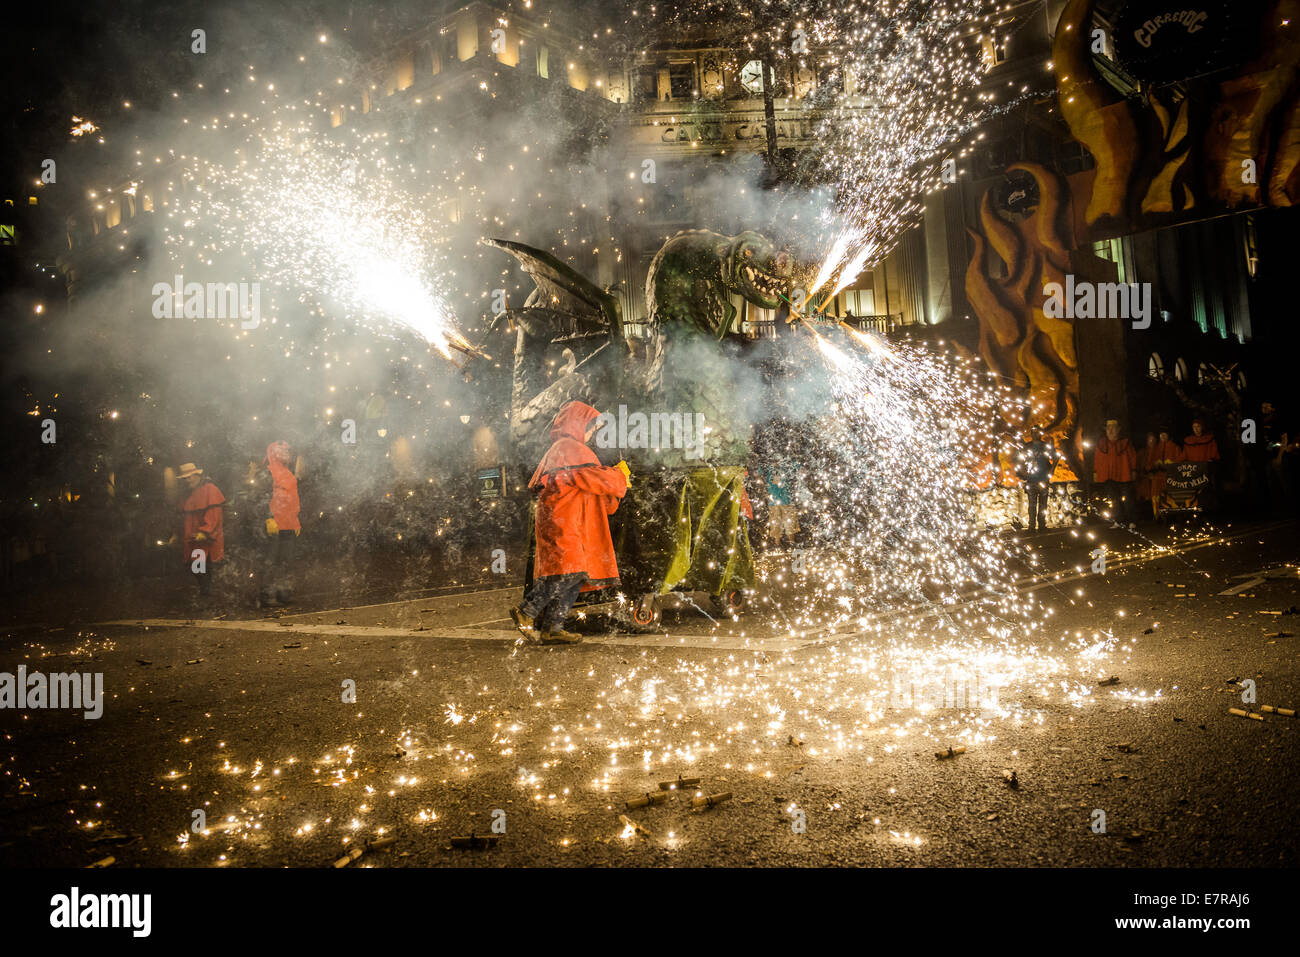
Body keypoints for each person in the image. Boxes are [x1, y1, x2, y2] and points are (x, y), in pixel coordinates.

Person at [510, 401, 629, 645]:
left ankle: (554, 626)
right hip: (564, 522)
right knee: (566, 572)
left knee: (575, 573)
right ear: (577, 424)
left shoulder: (563, 449)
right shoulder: (569, 447)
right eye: (591, 427)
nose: (592, 433)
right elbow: (594, 478)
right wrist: (619, 476)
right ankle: (527, 610)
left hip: (565, 520)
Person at [258, 440, 301, 608]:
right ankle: (267, 596)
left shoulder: (287, 473)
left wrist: (296, 521)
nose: (287, 454)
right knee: (272, 561)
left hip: (288, 523)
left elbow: (292, 500)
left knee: (285, 561)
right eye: (284, 451)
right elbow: (262, 497)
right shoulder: (268, 472)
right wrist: (268, 518)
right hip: (275, 524)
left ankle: (283, 594)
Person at [177, 462, 225, 598]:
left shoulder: (210, 490)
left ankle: (207, 595)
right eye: (184, 478)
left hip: (205, 539)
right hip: (193, 539)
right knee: (197, 568)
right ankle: (206, 593)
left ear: (197, 475)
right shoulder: (189, 493)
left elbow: (214, 515)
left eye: (189, 477)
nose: (187, 480)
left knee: (202, 568)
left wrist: (204, 531)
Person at [1093, 419, 1138, 525]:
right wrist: (1096, 473)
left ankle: (1132, 520)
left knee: (1128, 500)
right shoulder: (1102, 444)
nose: (1111, 430)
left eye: (1113, 428)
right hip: (1109, 477)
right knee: (1114, 500)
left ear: (1118, 430)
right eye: (1108, 428)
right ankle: (1118, 521)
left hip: (1124, 475)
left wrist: (1134, 470)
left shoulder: (1125, 443)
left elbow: (1133, 458)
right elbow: (1097, 460)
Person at [1016, 428, 1058, 532]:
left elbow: (1056, 457)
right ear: (1031, 434)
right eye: (1034, 433)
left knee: (1043, 504)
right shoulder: (1027, 447)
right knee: (1032, 505)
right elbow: (1020, 459)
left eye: (1037, 433)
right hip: (1031, 479)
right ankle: (1031, 526)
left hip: (1043, 479)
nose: (1036, 435)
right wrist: (1022, 471)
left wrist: (1052, 470)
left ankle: (1042, 525)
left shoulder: (1045, 446)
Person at [762, 463, 801, 548]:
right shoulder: (769, 468)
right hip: (774, 500)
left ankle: (791, 543)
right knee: (776, 523)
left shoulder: (786, 465)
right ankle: (777, 545)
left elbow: (798, 468)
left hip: (786, 499)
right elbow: (759, 473)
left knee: (790, 523)